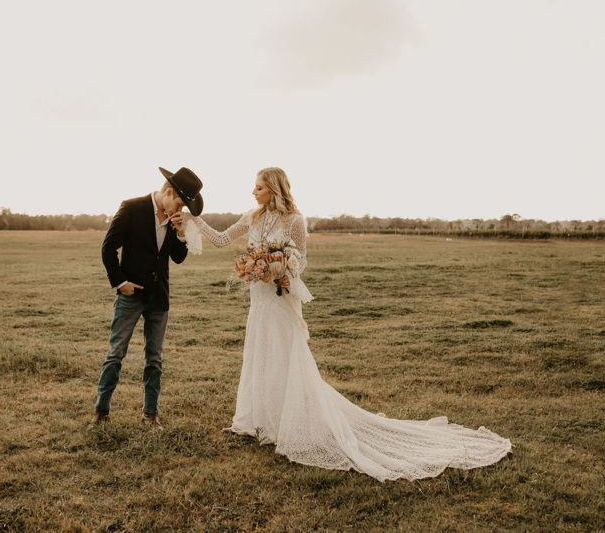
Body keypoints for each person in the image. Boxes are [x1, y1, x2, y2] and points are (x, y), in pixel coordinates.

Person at [184, 167, 511, 481]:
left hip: (281, 297)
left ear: (274, 189)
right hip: (259, 297)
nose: (252, 191)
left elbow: (303, 258)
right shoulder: (252, 217)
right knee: (260, 355)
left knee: (285, 356)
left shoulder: (296, 220)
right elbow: (223, 240)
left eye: (258, 186)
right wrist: (193, 219)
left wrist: (285, 268)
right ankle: (254, 422)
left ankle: (286, 425)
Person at [90, 167, 204, 428]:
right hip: (130, 295)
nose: (180, 209)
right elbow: (109, 247)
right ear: (168, 191)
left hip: (159, 298)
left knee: (155, 358)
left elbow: (177, 257)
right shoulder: (131, 207)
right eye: (179, 202)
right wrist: (120, 282)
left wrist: (180, 233)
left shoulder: (177, 220)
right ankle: (101, 412)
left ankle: (150, 415)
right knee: (116, 353)